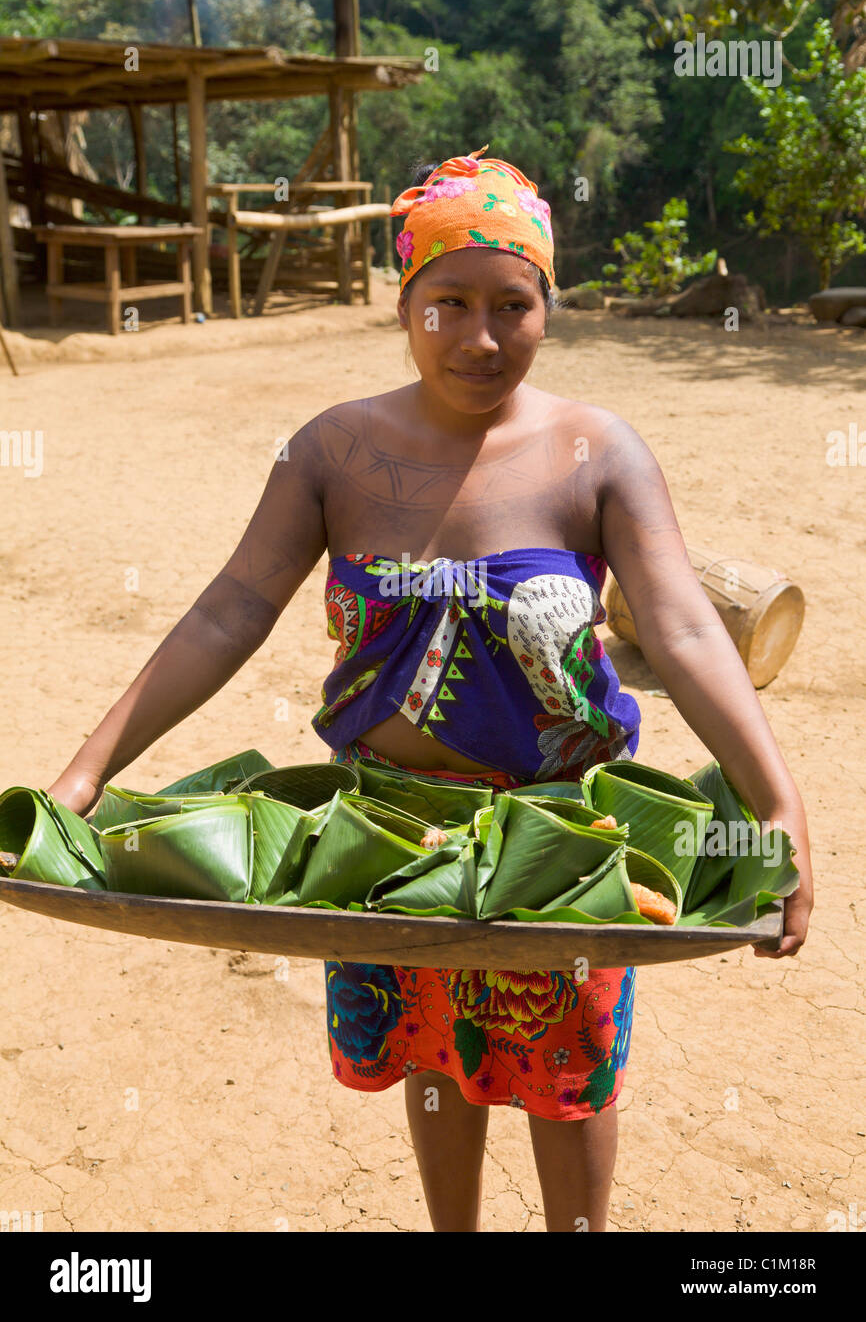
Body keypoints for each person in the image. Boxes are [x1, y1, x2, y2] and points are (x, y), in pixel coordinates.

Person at [48, 144, 813, 1234]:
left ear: (550, 305)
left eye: (513, 303)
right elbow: (229, 610)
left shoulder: (597, 453)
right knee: (437, 1058)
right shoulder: (334, 452)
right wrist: (87, 773)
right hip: (382, 847)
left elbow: (686, 625)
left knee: (565, 1074)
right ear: (401, 303)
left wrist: (776, 802)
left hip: (562, 847)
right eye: (445, 302)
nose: (480, 337)